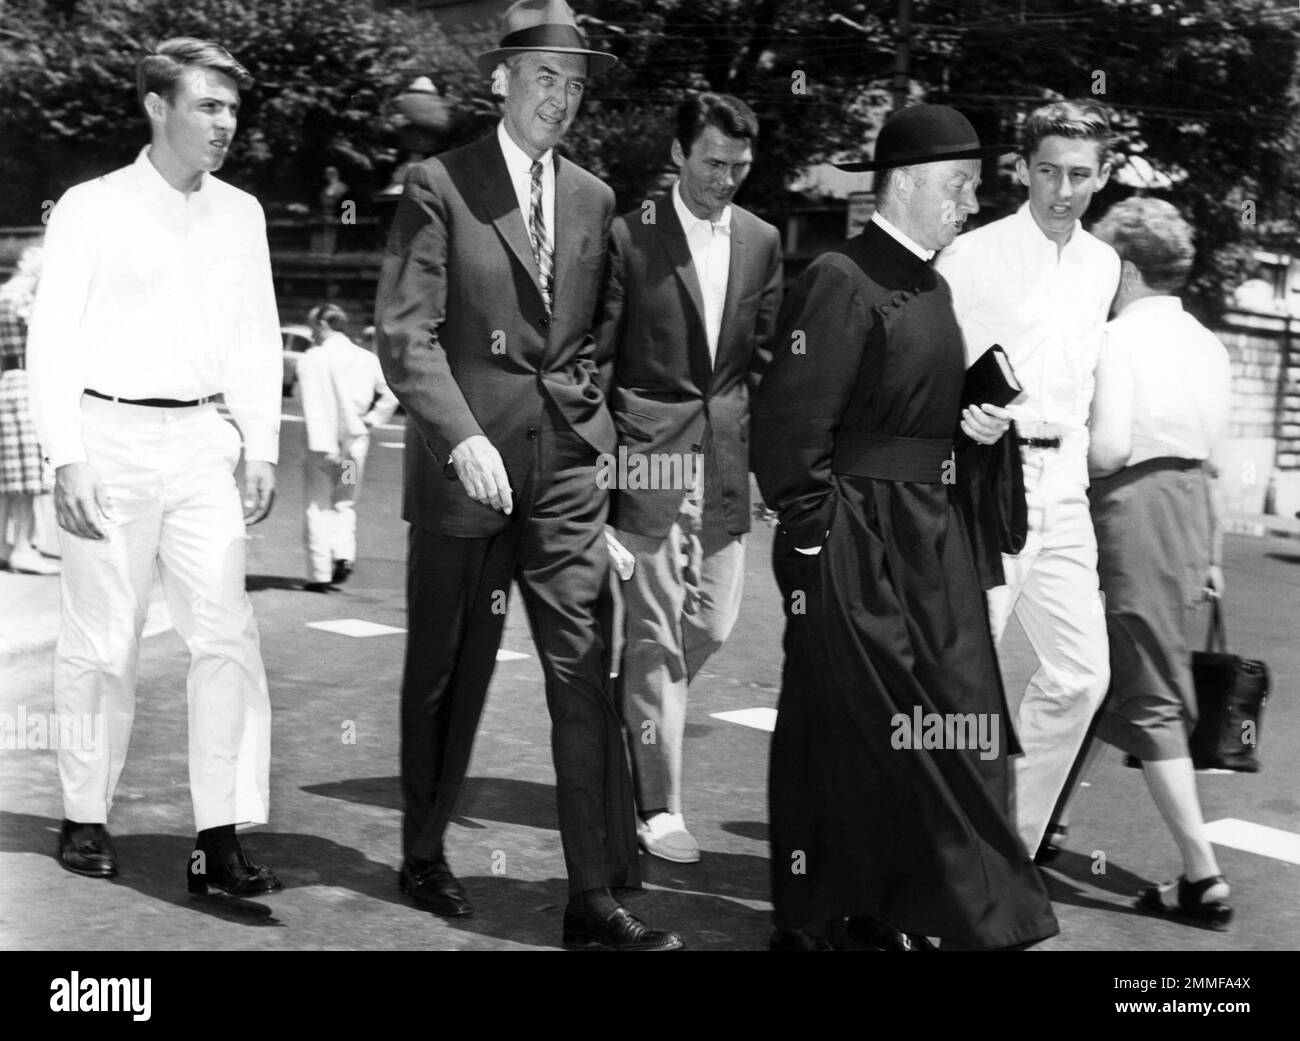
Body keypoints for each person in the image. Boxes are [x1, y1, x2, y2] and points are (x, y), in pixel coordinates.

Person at [375, 0, 683, 950]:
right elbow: (406, 330)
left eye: (577, 83)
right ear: (501, 79)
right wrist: (461, 436)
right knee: (445, 673)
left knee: (581, 670)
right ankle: (423, 850)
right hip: (465, 470)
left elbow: (593, 341)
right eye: (545, 76)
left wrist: (599, 461)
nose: (562, 97)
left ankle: (590, 894)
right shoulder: (439, 183)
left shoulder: (594, 198)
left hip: (563, 473)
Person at [752, 103, 1059, 951]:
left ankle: (890, 903)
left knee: (950, 718)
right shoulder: (840, 278)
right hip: (854, 532)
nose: (969, 203)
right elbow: (791, 425)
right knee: (838, 725)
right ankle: (816, 915)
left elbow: (905, 408)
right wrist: (815, 540)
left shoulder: (932, 281)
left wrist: (974, 420)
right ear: (906, 184)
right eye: (958, 187)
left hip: (930, 532)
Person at [27, 37, 283, 895]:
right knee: (103, 642)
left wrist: (260, 443)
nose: (225, 125)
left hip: (204, 440)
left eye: (233, 110)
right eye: (208, 106)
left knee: (227, 636)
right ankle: (84, 812)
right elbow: (51, 339)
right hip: (108, 437)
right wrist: (66, 456)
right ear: (156, 106)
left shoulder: (242, 214)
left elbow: (255, 334)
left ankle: (219, 836)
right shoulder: (90, 207)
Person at [934, 101, 1120, 861]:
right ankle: (924, 856)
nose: (1062, 190)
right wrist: (958, 418)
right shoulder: (972, 254)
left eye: (1080, 174)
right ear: (1022, 170)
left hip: (1064, 483)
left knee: (1082, 675)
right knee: (959, 679)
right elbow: (924, 361)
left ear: (1103, 177)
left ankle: (1008, 847)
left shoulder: (1104, 266)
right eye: (1048, 171)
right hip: (987, 477)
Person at [600, 92, 782, 864]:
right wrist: (604, 478)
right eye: (712, 162)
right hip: (650, 456)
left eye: (739, 167)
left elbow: (765, 363)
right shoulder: (628, 237)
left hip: (727, 462)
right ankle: (657, 805)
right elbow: (600, 360)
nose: (725, 179)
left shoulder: (763, 240)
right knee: (655, 634)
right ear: (678, 154)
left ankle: (634, 700)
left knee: (709, 627)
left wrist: (768, 466)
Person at [1074, 197, 1234, 929]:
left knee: (1146, 691)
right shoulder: (1207, 341)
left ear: (1128, 267)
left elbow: (1105, 449)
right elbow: (1221, 460)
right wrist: (1212, 555)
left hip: (1131, 510)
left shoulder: (1116, 337)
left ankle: (1203, 877)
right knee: (1108, 673)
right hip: (1191, 509)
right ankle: (1042, 819)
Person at [297, 303, 398, 592]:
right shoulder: (365, 358)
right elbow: (390, 392)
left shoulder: (312, 359)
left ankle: (319, 572)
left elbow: (309, 404)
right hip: (353, 446)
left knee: (317, 504)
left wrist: (327, 442)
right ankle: (343, 553)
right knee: (344, 500)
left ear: (323, 325)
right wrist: (371, 420)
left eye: (313, 326)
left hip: (321, 448)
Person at [0, 246, 60, 576]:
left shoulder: (4, 293)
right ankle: (22, 547)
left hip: (5, 381)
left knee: (9, 476)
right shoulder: (26, 298)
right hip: (25, 383)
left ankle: (6, 545)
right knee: (25, 475)